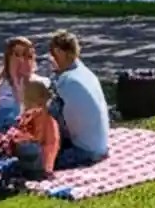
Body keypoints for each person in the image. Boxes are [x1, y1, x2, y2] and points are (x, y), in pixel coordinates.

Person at [46, 29, 109, 170]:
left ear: (59, 52)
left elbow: (52, 111)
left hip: (84, 151)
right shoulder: (86, 73)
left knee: (36, 161)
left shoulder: (66, 80)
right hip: (101, 146)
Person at [4, 77, 61, 179]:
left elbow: (36, 140)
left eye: (27, 99)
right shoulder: (39, 116)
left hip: (40, 165)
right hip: (44, 163)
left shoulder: (40, 117)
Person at [0, 36, 37, 133]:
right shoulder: (1, 89)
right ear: (8, 58)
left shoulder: (42, 83)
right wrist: (15, 80)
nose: (22, 60)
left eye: (28, 56)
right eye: (17, 55)